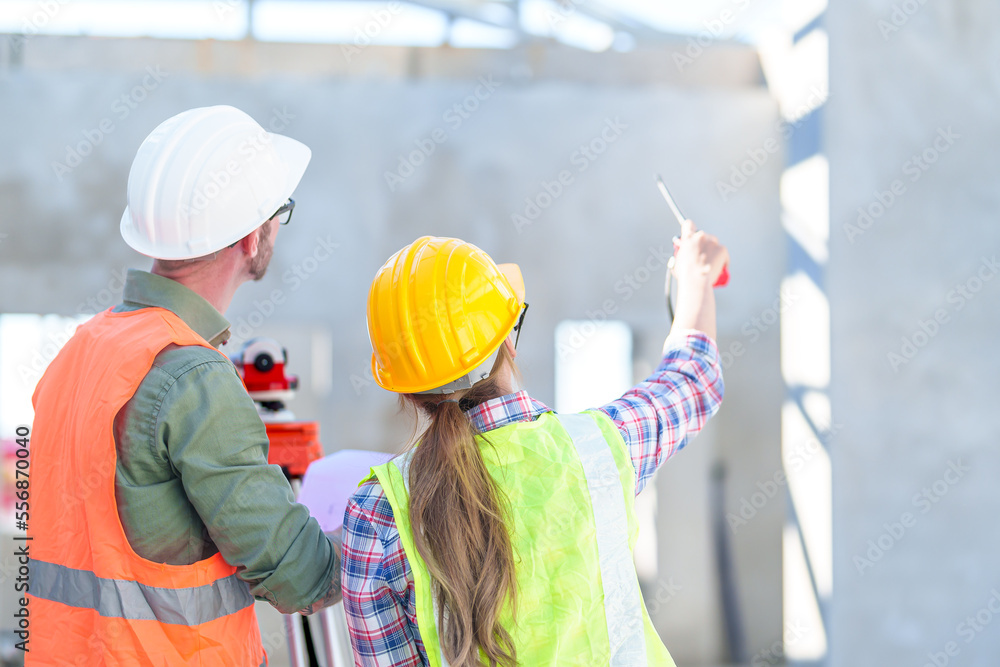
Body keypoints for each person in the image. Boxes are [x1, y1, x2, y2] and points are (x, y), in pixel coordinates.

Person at [28, 105, 341, 665]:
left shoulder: (81, 349)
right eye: (281, 212)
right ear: (252, 237)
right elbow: (301, 576)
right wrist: (394, 527)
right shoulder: (193, 378)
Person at [342, 227, 728, 666]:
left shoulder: (375, 515)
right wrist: (696, 276)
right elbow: (694, 380)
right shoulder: (597, 451)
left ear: (406, 390)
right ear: (508, 339)